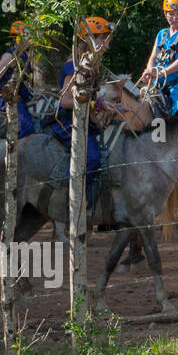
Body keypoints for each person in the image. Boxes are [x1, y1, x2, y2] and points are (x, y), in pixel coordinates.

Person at [50, 16, 115, 218]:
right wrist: (96, 104)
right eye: (102, 39)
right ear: (89, 40)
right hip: (69, 122)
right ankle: (73, 205)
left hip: (87, 121)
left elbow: (90, 98)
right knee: (92, 158)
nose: (106, 45)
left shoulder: (94, 65)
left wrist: (106, 105)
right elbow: (65, 100)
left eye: (107, 40)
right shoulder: (74, 66)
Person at [139, 0, 178, 119]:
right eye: (171, 14)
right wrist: (149, 70)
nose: (174, 18)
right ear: (165, 14)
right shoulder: (162, 34)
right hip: (158, 84)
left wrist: (162, 72)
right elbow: (153, 57)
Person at [0, 21, 37, 138]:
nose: (30, 39)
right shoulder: (8, 57)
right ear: (19, 38)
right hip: (7, 99)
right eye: (27, 36)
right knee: (26, 128)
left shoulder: (24, 56)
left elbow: (23, 82)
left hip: (20, 98)